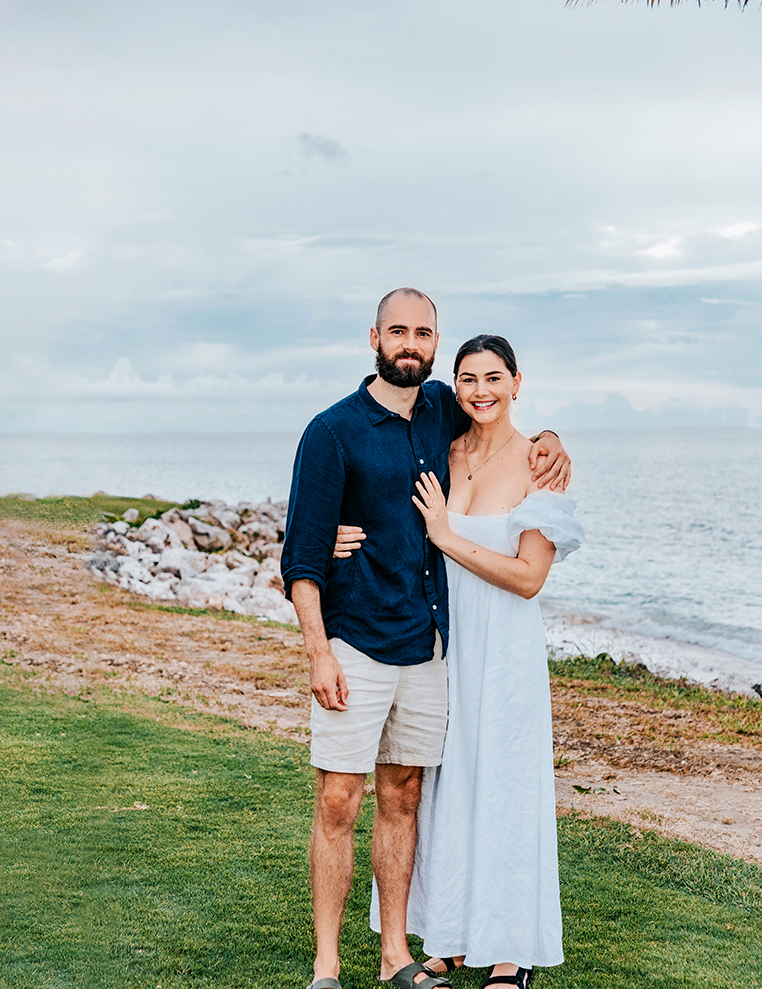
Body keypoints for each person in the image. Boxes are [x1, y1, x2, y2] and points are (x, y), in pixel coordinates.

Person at [280, 290, 571, 989]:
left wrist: (553, 439)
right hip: (364, 643)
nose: (410, 343)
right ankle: (332, 966)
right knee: (342, 799)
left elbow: (501, 426)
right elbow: (301, 550)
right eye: (398, 331)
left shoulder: (440, 411)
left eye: (423, 333)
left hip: (435, 649)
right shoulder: (334, 429)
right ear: (374, 336)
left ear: (433, 342)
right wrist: (319, 648)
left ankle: (417, 954)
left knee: (417, 795)